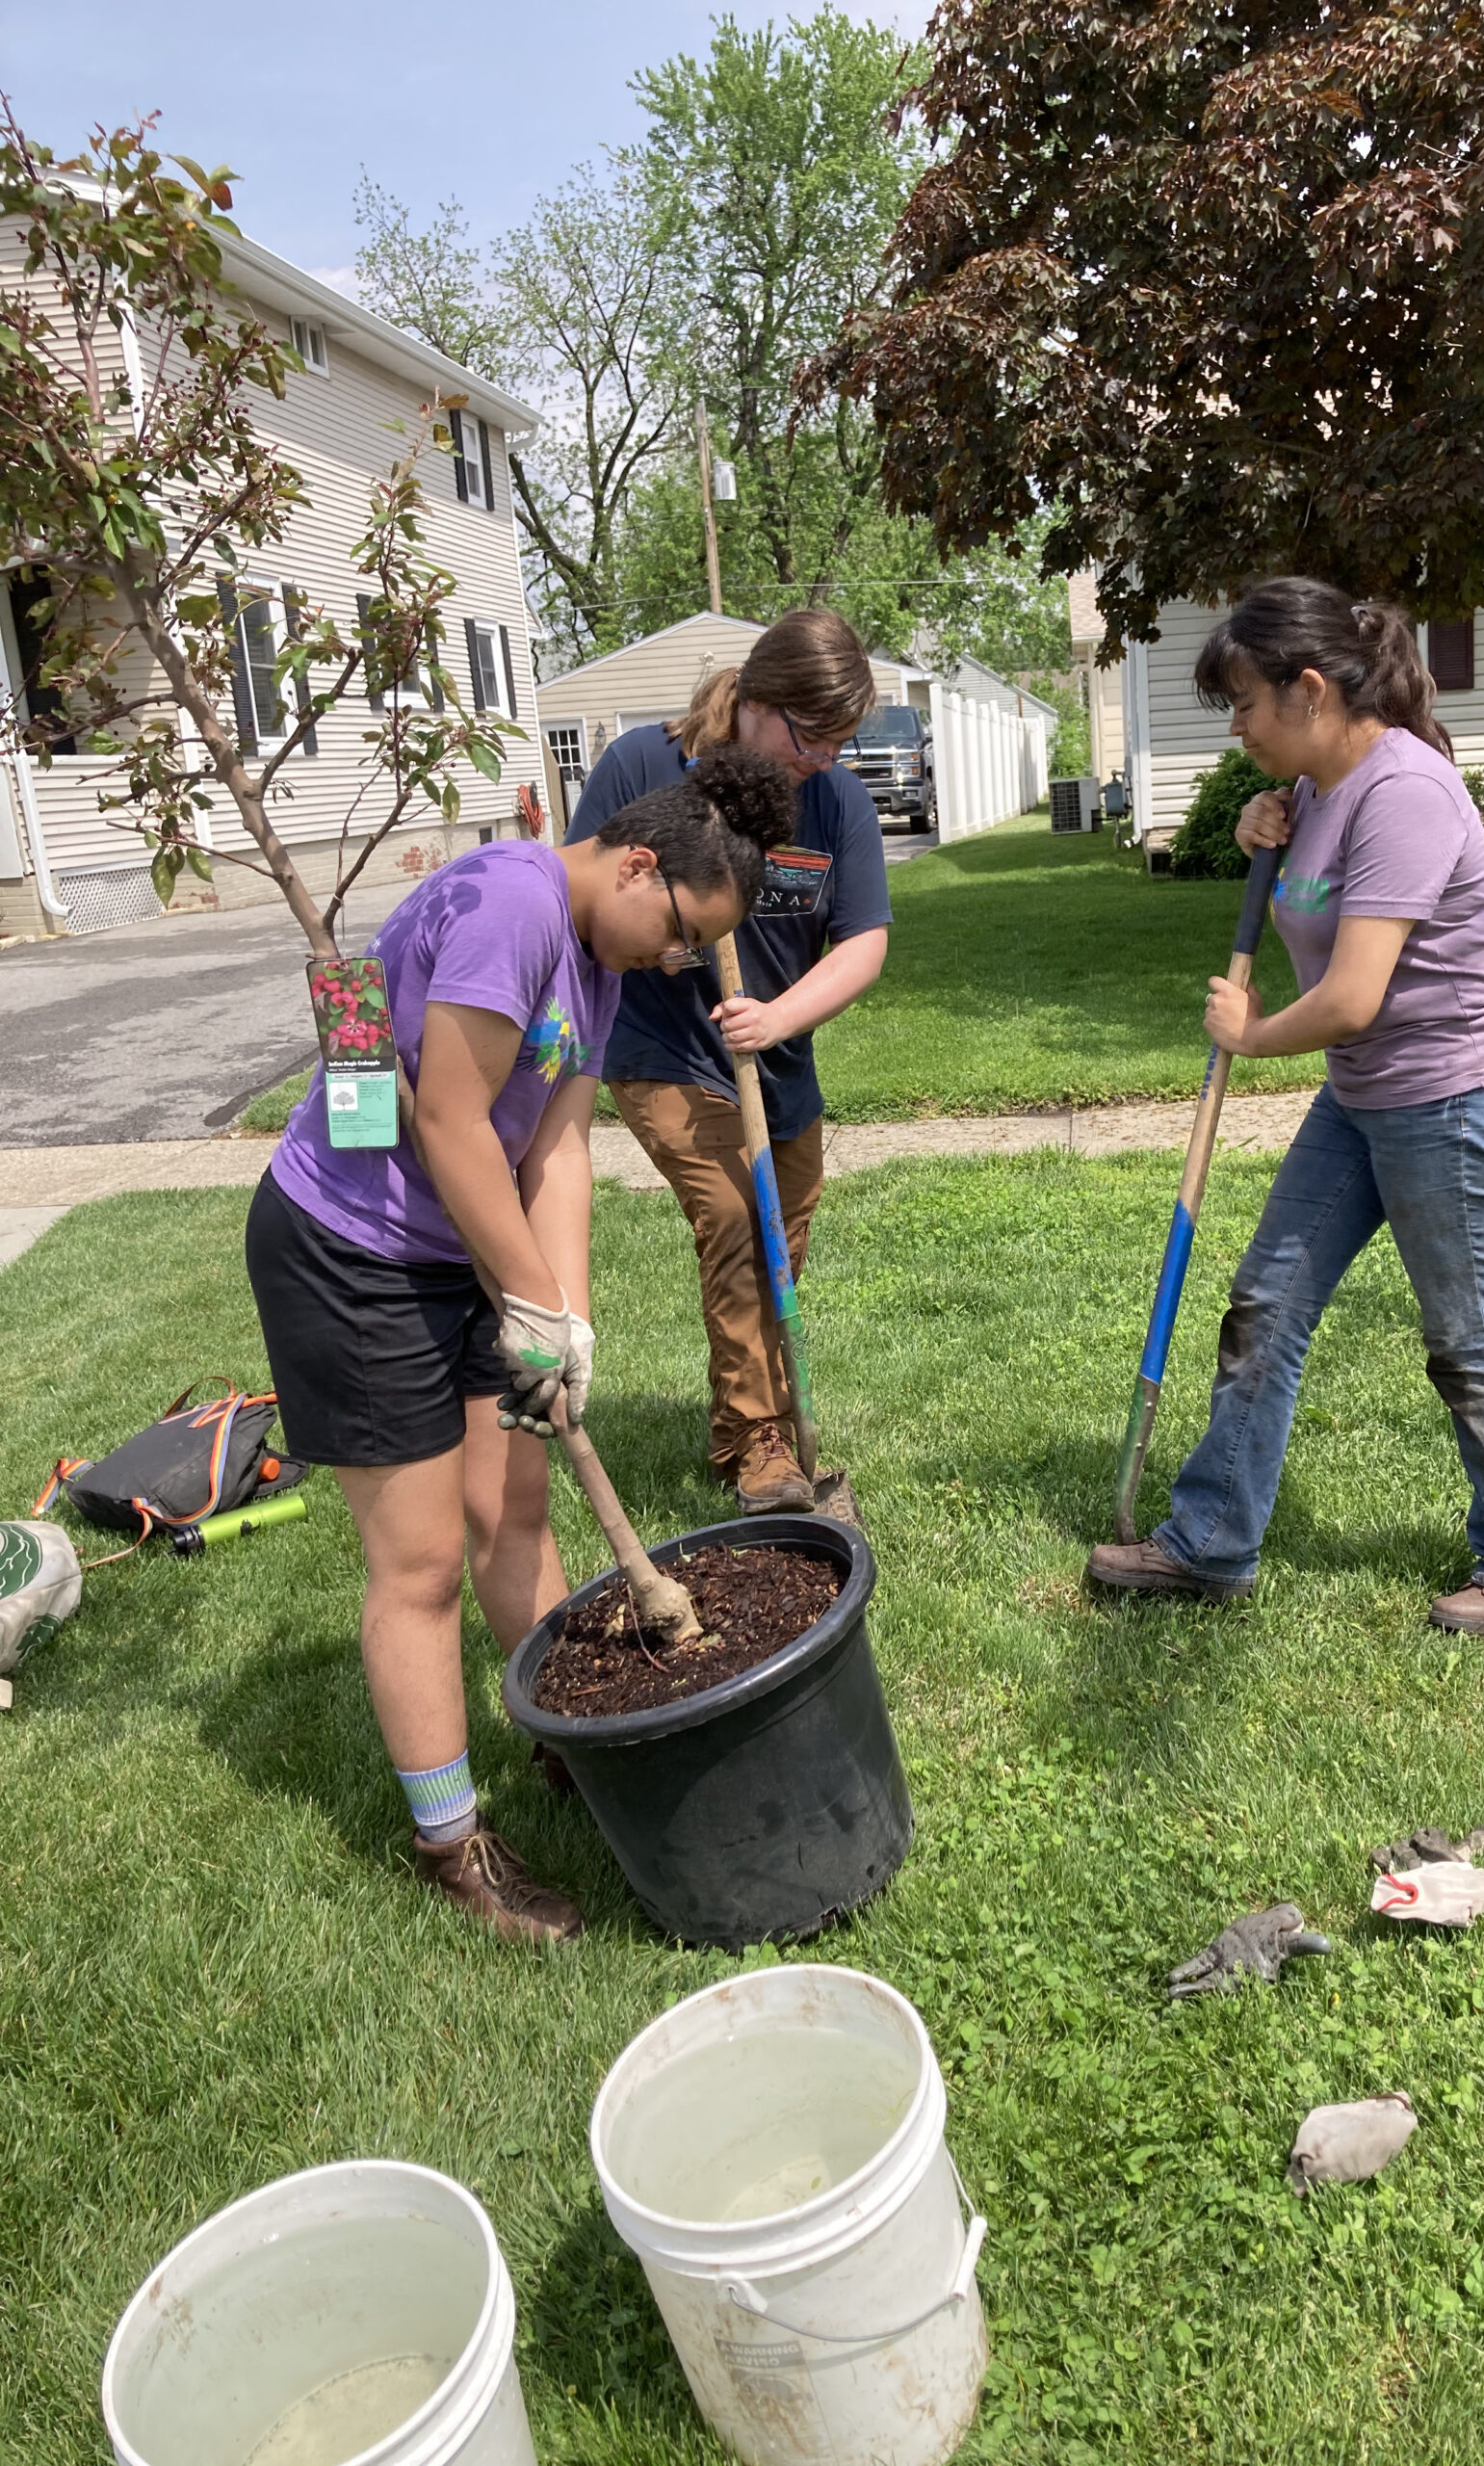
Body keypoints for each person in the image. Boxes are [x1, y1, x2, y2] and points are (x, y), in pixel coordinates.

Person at [247, 748, 797, 1946]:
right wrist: (525, 1294)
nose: (677, 961)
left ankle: (567, 1747)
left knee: (517, 1512)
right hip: (351, 1253)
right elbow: (444, 1118)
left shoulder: (596, 968)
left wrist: (563, 1313)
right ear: (640, 862)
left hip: (461, 1251)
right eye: (682, 931)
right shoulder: (515, 905)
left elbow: (553, 1154)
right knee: (424, 1560)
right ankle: (451, 1848)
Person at [1086, 579, 1484, 1634]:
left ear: (1310, 691)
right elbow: (1310, 903)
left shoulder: (1404, 791)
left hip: (1448, 1097)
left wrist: (1250, 1035)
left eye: (1247, 701)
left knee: (1462, 1330)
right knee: (1266, 1299)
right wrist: (1258, 825)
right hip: (1364, 1097)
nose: (1236, 724)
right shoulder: (1315, 787)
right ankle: (1212, 1542)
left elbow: (1353, 996)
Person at [564, 609, 891, 1512]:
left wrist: (776, 1018)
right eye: (810, 734)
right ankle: (758, 1448)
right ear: (753, 699)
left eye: (840, 740)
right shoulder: (642, 765)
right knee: (737, 1221)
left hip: (774, 1065)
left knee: (782, 1244)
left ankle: (763, 1422)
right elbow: (583, 898)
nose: (822, 756)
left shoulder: (836, 800)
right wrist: (657, 941)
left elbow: (863, 944)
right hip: (660, 1048)